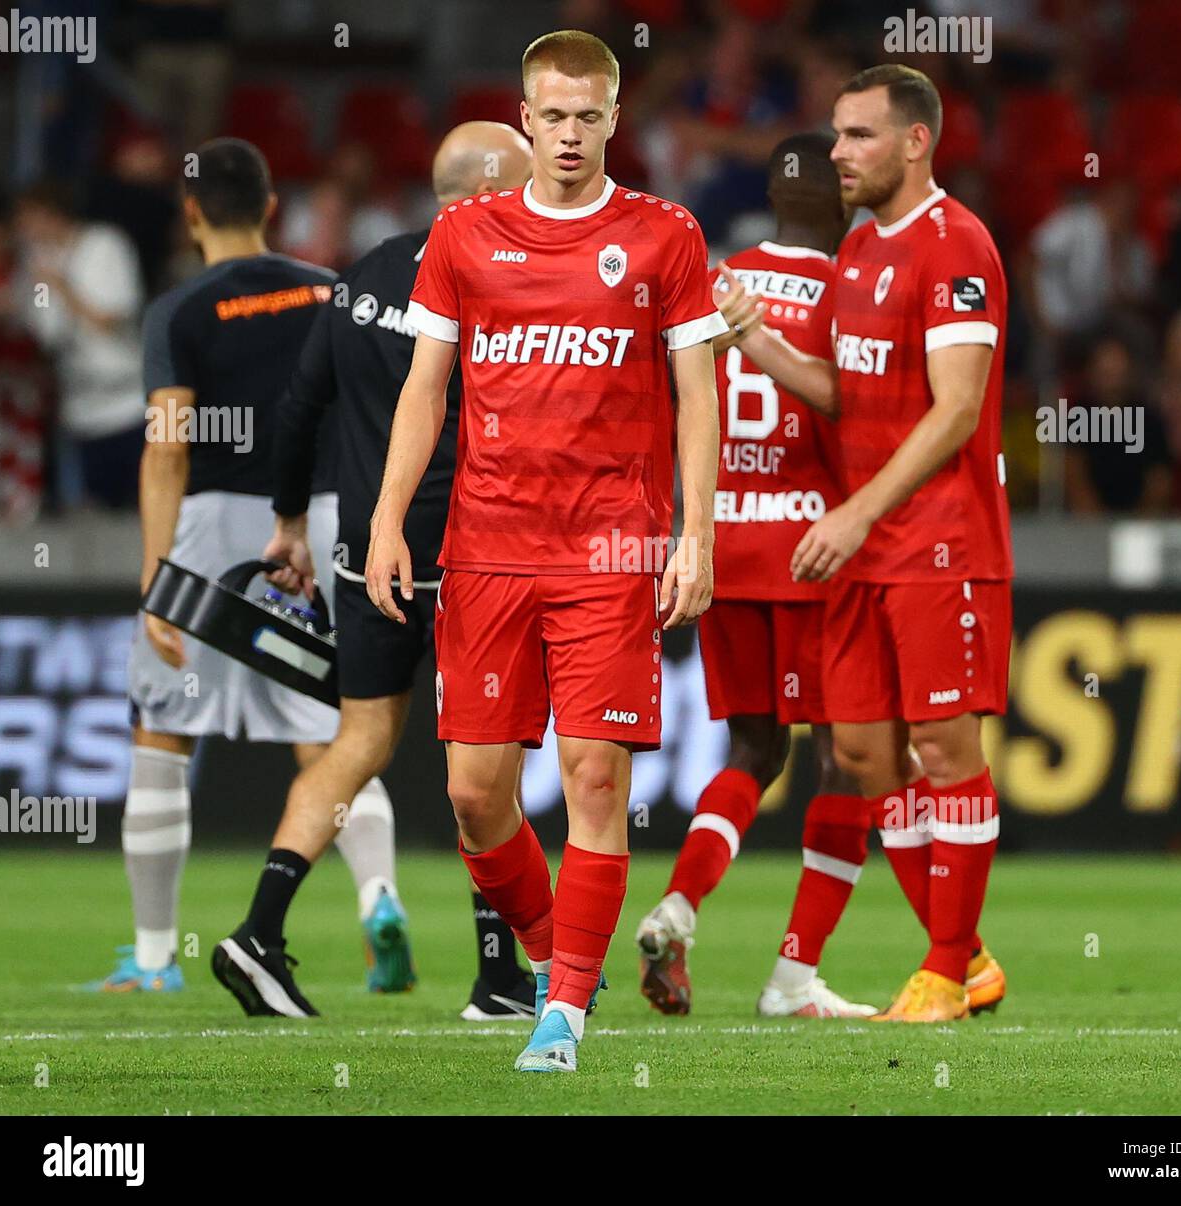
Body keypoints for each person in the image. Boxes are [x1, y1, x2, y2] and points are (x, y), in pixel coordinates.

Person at [365, 29, 725, 1071]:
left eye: (587, 116)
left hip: (612, 553)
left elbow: (696, 399)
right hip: (486, 550)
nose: (569, 134)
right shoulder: (466, 237)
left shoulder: (664, 237)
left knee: (593, 783)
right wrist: (389, 520)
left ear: (615, 119)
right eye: (552, 117)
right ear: (524, 122)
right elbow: (425, 389)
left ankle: (561, 1012)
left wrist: (692, 537)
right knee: (476, 796)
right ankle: (556, 952)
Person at [213, 121, 539, 1023]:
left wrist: (291, 524)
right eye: (522, 185)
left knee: (358, 745)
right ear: (482, 193)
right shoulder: (499, 277)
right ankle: (498, 977)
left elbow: (300, 407)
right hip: (471, 555)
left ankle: (259, 935)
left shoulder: (361, 277)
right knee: (489, 759)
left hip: (365, 551)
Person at [720, 64, 1009, 1022]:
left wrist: (852, 512)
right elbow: (849, 394)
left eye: (858, 136)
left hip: (937, 540)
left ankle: (941, 965)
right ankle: (964, 961)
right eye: (836, 135)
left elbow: (957, 408)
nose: (836, 153)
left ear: (916, 141)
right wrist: (753, 337)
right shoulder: (854, 255)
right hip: (865, 550)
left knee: (942, 743)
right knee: (864, 754)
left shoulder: (956, 245)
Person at [94, 139, 404, 1004]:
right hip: (323, 521)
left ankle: (154, 958)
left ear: (190, 212)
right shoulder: (334, 292)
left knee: (161, 732)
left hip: (211, 528)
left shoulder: (180, 311)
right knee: (332, 736)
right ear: (272, 206)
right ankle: (381, 900)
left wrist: (159, 575)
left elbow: (167, 449)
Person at [635, 132, 876, 1020]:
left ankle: (678, 906)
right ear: (839, 201)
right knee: (848, 761)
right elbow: (857, 412)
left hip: (724, 546)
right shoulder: (850, 288)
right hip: (816, 552)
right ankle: (793, 978)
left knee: (755, 748)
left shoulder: (715, 278)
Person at [14, 179, 146, 509]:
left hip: (130, 405)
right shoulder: (37, 262)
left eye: (28, 218)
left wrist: (61, 286)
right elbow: (45, 336)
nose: (24, 228)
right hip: (83, 408)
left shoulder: (104, 245)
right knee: (101, 509)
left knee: (142, 507)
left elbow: (110, 318)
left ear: (50, 214)